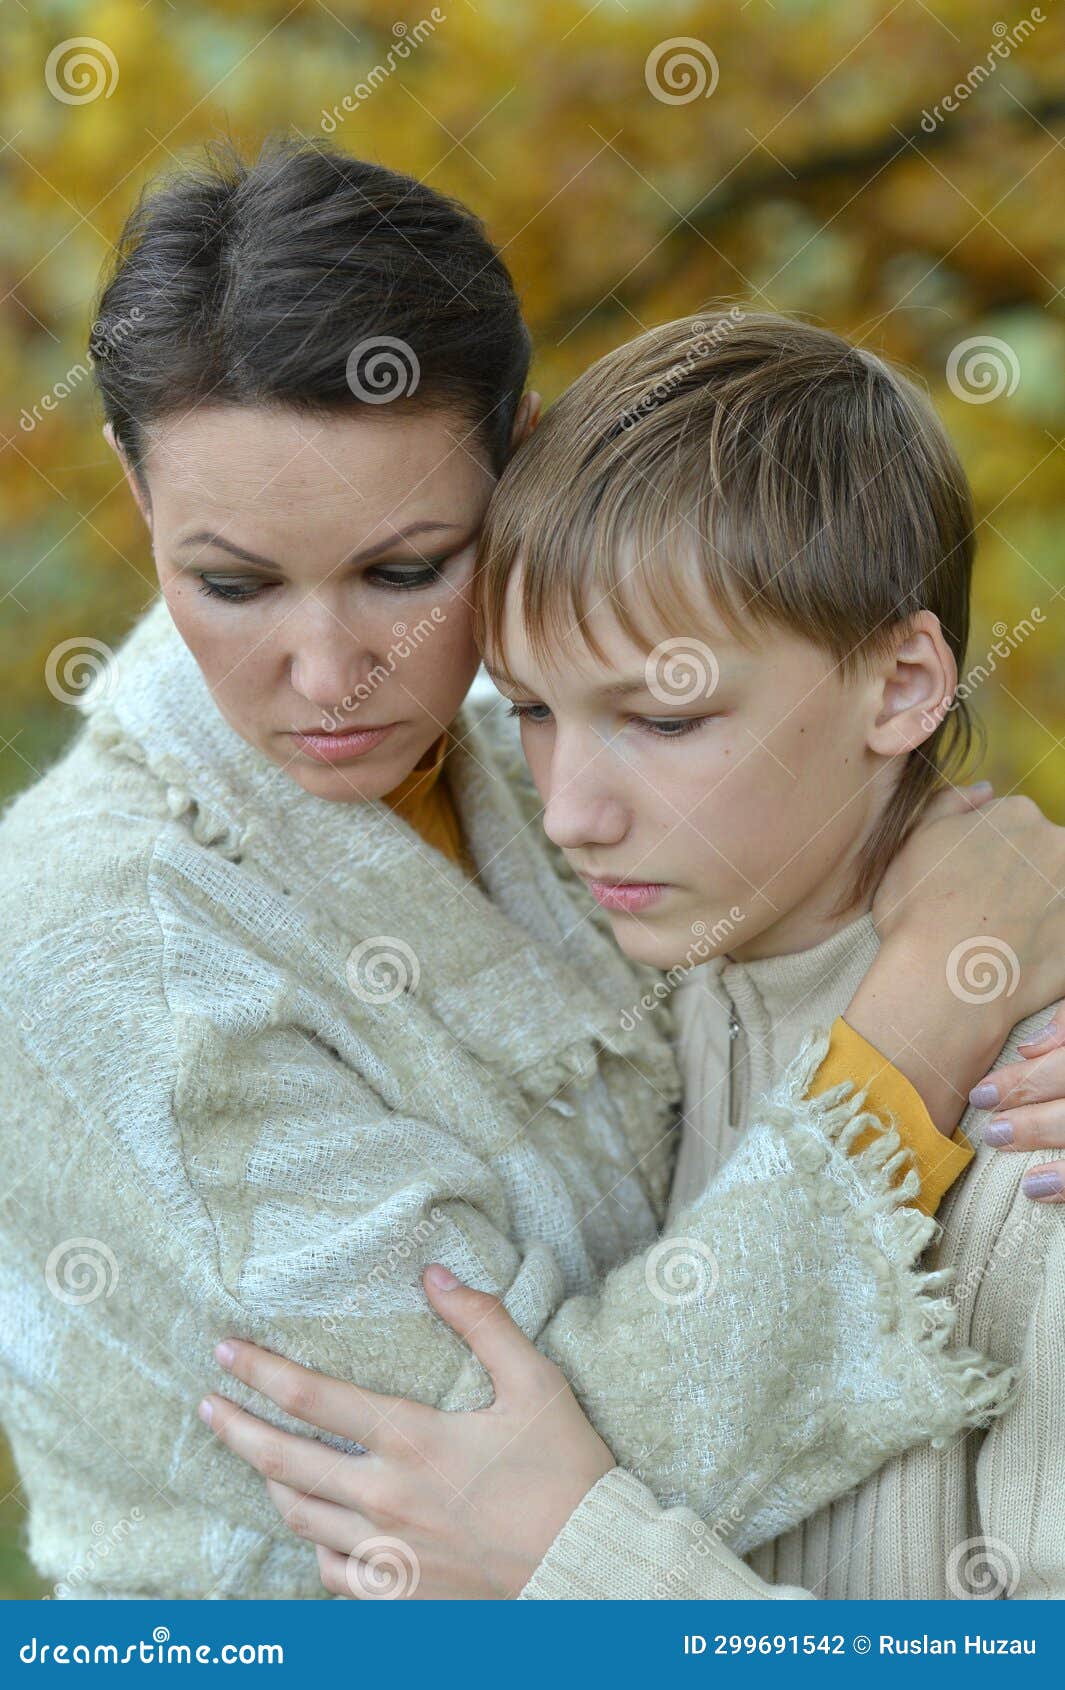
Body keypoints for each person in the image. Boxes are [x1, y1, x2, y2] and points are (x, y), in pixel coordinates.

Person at [0, 139, 1062, 1601]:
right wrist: (923, 1025)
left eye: (407, 567)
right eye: (232, 581)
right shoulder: (106, 935)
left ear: (518, 459)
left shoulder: (522, 734)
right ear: (129, 479)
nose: (327, 676)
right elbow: (496, 1502)